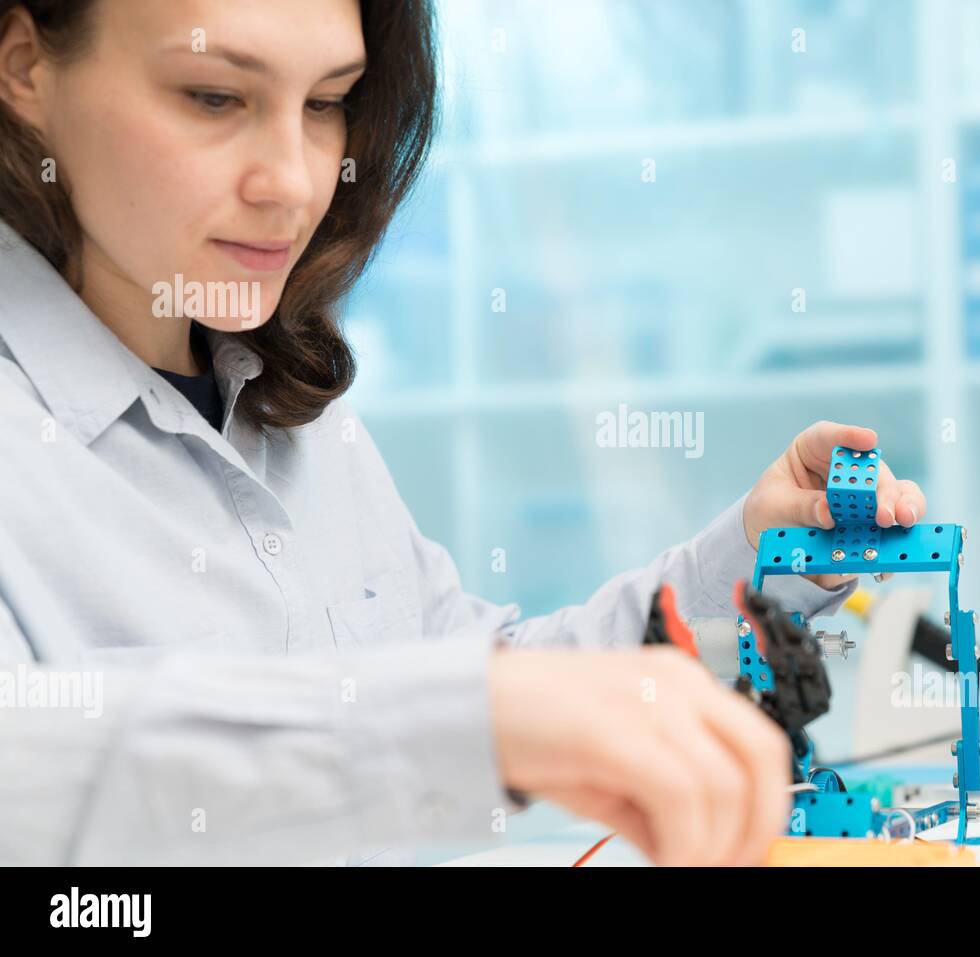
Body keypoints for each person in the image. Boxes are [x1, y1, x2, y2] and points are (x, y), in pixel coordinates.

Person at [0, 0, 928, 866]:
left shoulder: (293, 415)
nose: (291, 181)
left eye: (328, 102)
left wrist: (757, 562)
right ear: (25, 65)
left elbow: (496, 686)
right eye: (214, 96)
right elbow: (32, 764)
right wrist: (479, 720)